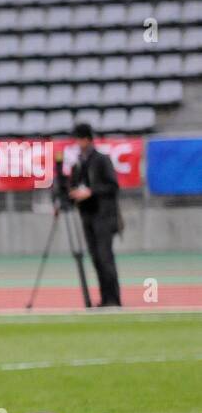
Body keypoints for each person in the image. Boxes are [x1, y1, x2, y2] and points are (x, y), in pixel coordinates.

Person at [67, 123, 122, 307]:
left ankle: (114, 298)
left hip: (103, 215)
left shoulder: (101, 159)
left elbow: (113, 186)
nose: (77, 142)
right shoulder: (79, 162)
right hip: (87, 215)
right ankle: (104, 298)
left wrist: (91, 192)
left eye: (80, 139)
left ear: (87, 139)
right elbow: (73, 185)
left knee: (105, 257)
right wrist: (73, 193)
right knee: (96, 258)